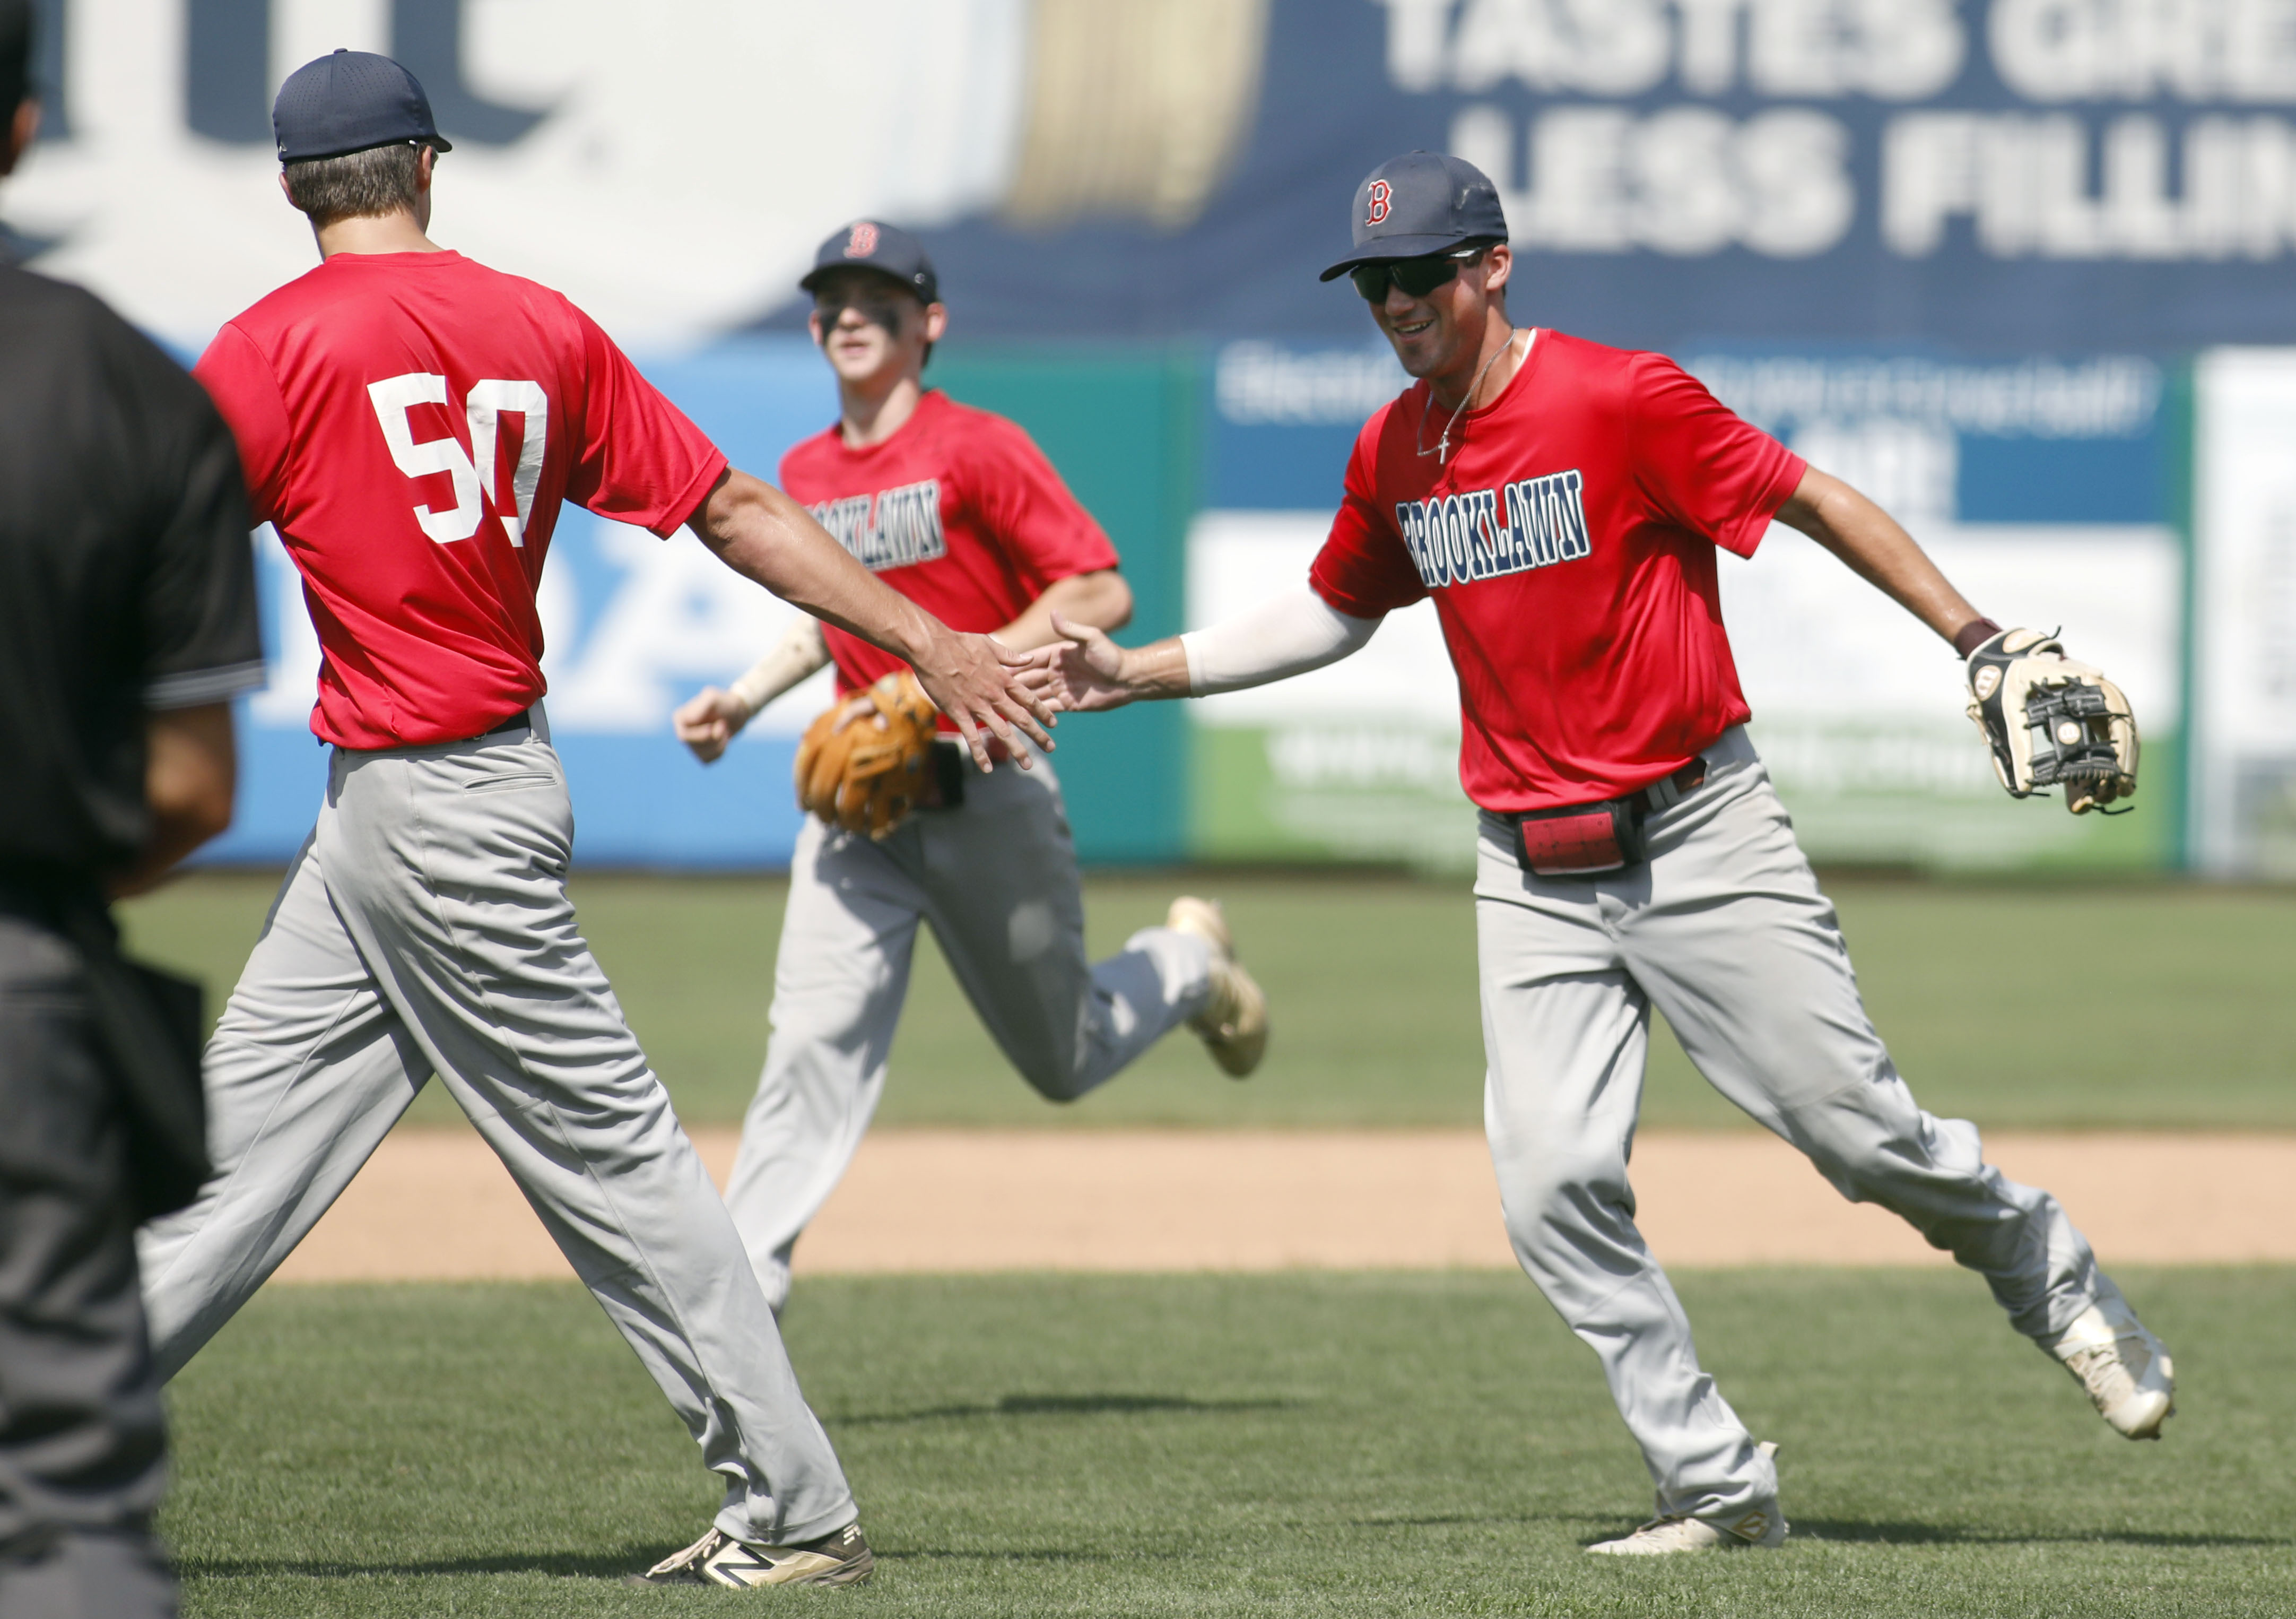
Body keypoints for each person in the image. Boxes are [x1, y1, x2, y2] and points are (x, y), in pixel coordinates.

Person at [1023, 151, 2175, 1556]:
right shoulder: (1394, 449)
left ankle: (2050, 1274)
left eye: (1420, 274)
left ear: (1492, 266)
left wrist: (1981, 637)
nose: (1395, 302)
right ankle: (1714, 1483)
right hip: (1528, 868)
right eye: (1372, 282)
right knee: (1550, 1177)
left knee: (1861, 1136)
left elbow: (1812, 496)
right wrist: (1138, 671)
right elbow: (1338, 609)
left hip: (1698, 831)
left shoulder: (1623, 397)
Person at [133, 53, 1054, 1592]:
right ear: (427, 162)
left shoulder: (272, 344)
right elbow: (738, 509)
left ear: (292, 187)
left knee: (620, 1164)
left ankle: (799, 1505)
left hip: (435, 808)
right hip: (435, 801)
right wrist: (930, 635)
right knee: (219, 1157)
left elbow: (133, 539)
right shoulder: (537, 323)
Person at [673, 221, 1268, 1313]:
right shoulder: (805, 467)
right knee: (808, 1047)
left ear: (928, 323)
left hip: (987, 779)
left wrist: (955, 668)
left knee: (1063, 1059)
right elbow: (833, 620)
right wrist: (745, 697)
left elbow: (1098, 589)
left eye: (878, 299)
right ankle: (741, 1304)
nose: (850, 317)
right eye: (832, 302)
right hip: (864, 809)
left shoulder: (977, 447)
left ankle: (1185, 966)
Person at [0, 3, 265, 1612]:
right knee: (66, 1519)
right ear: (27, 127)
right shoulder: (126, 383)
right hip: (20, 982)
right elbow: (188, 787)